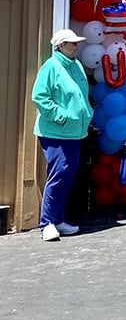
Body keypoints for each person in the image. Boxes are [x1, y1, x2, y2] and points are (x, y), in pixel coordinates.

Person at [32, 28, 92, 240]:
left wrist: (86, 115)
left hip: (75, 133)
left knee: (66, 176)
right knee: (59, 175)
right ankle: (46, 223)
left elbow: (80, 97)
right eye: (71, 43)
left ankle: (57, 220)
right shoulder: (51, 66)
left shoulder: (76, 65)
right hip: (56, 132)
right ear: (60, 46)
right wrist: (62, 117)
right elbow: (39, 97)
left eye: (76, 42)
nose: (76, 46)